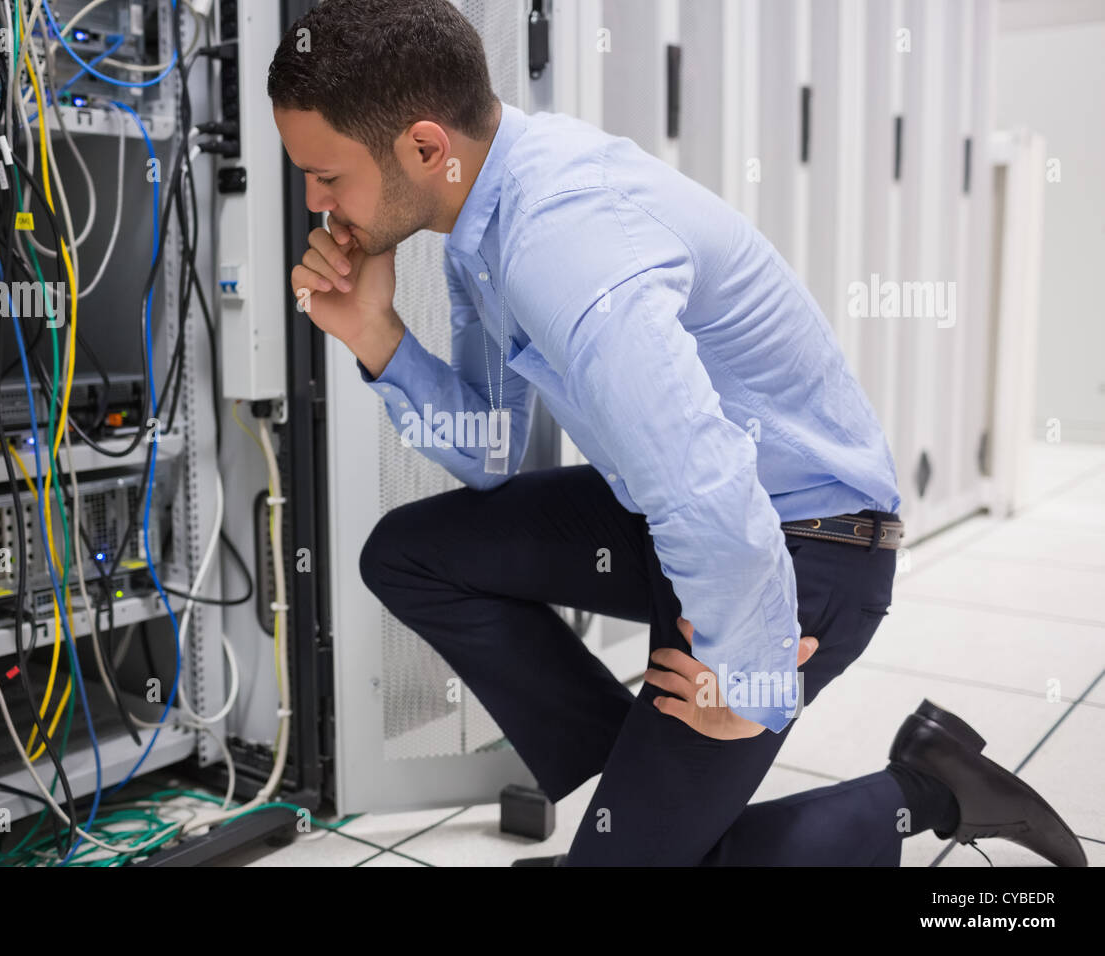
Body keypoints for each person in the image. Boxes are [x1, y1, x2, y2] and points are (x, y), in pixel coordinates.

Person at [266, 0, 1085, 867]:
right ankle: (640, 815)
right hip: (677, 522)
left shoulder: (558, 238)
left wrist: (754, 669)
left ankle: (926, 788)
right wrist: (376, 336)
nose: (316, 205)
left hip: (810, 543)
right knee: (410, 554)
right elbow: (492, 452)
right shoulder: (484, 217)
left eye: (325, 175)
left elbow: (702, 476)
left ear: (427, 148)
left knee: (659, 847)